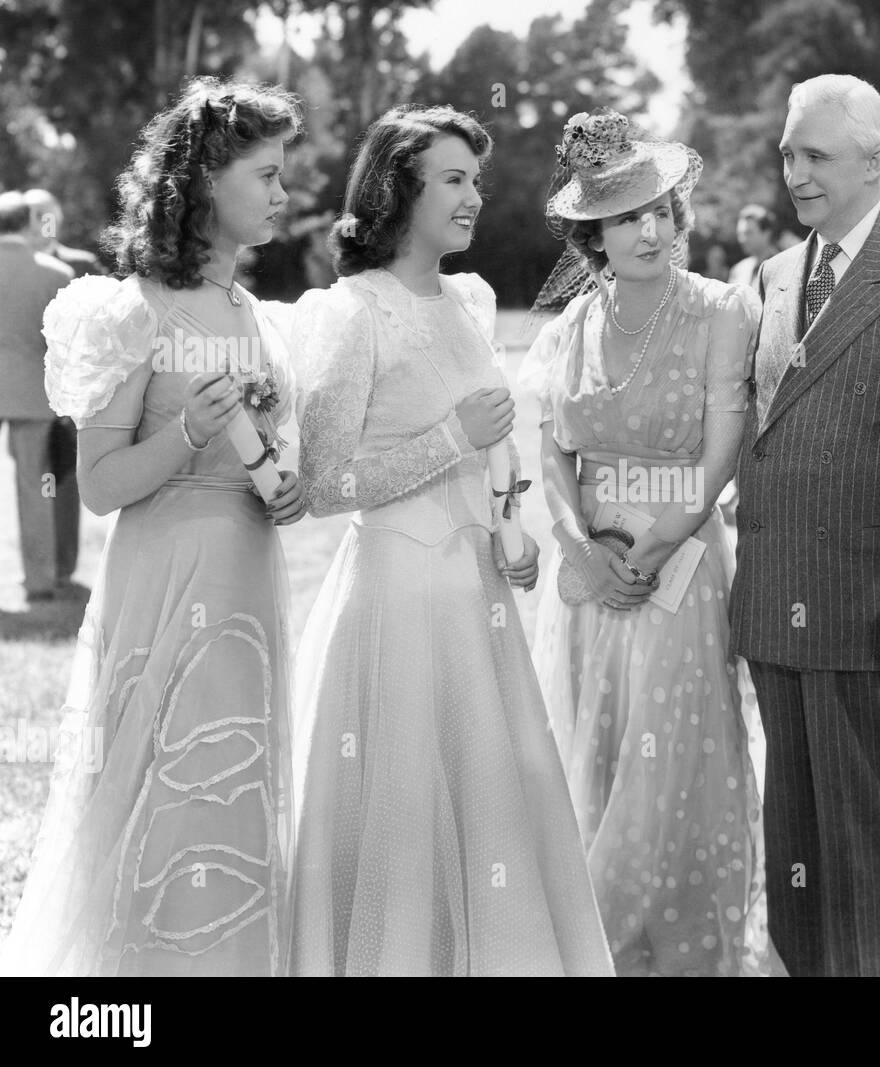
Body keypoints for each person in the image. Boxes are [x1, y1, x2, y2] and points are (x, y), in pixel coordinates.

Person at [288, 105, 612, 977]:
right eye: (455, 180)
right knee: (404, 810)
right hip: (396, 600)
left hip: (481, 598)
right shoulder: (353, 313)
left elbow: (495, 454)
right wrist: (450, 441)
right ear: (400, 190)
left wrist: (515, 529)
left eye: (478, 178)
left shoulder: (469, 299)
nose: (476, 196)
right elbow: (324, 484)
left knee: (493, 807)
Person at [0, 77, 307, 976]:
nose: (283, 194)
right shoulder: (132, 309)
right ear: (208, 179)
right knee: (162, 786)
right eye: (266, 174)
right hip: (166, 580)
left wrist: (288, 489)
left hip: (250, 579)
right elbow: (96, 485)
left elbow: (276, 458)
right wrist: (188, 430)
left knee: (236, 786)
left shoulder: (261, 318)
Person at [522, 110, 780, 977]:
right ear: (591, 233)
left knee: (666, 762)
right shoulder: (566, 329)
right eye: (626, 215)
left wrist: (654, 547)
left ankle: (673, 950)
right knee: (589, 747)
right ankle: (593, 949)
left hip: (682, 566)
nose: (647, 228)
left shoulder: (719, 311)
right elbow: (553, 449)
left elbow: (722, 450)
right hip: (591, 573)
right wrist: (577, 546)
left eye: (659, 209)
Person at [728, 74, 880, 977]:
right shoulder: (768, 275)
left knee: (877, 846)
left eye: (816, 155)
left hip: (871, 612)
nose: (794, 171)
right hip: (773, 604)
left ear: (876, 161)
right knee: (792, 843)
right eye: (788, 152)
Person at [26, 188, 109, 597]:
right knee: (36, 480)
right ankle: (41, 568)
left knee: (60, 480)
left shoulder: (80, 265)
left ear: (55, 217)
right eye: (31, 214)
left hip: (72, 396)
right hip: (28, 396)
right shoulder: (18, 265)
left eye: (44, 214)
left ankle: (62, 567)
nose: (38, 221)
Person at [0, 191, 73, 603]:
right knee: (37, 486)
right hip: (34, 392)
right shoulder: (54, 273)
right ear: (27, 223)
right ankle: (41, 580)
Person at [728, 203, 779, 288]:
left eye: (749, 233)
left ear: (766, 233)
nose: (742, 239)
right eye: (740, 234)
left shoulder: (783, 267)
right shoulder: (738, 270)